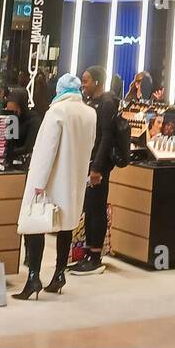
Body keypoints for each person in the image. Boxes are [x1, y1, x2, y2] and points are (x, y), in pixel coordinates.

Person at [13, 73, 96, 300]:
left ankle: (33, 277)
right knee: (66, 226)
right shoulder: (90, 114)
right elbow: (89, 146)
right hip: (75, 179)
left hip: (51, 180)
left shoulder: (56, 112)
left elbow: (45, 150)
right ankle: (59, 273)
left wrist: (38, 183)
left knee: (34, 225)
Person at [70, 64, 119, 275]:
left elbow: (106, 138)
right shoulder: (93, 102)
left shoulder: (107, 103)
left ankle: (95, 256)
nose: (83, 84)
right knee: (89, 208)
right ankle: (88, 252)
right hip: (90, 163)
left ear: (97, 82)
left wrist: (97, 167)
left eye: (86, 80)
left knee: (96, 209)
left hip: (99, 166)